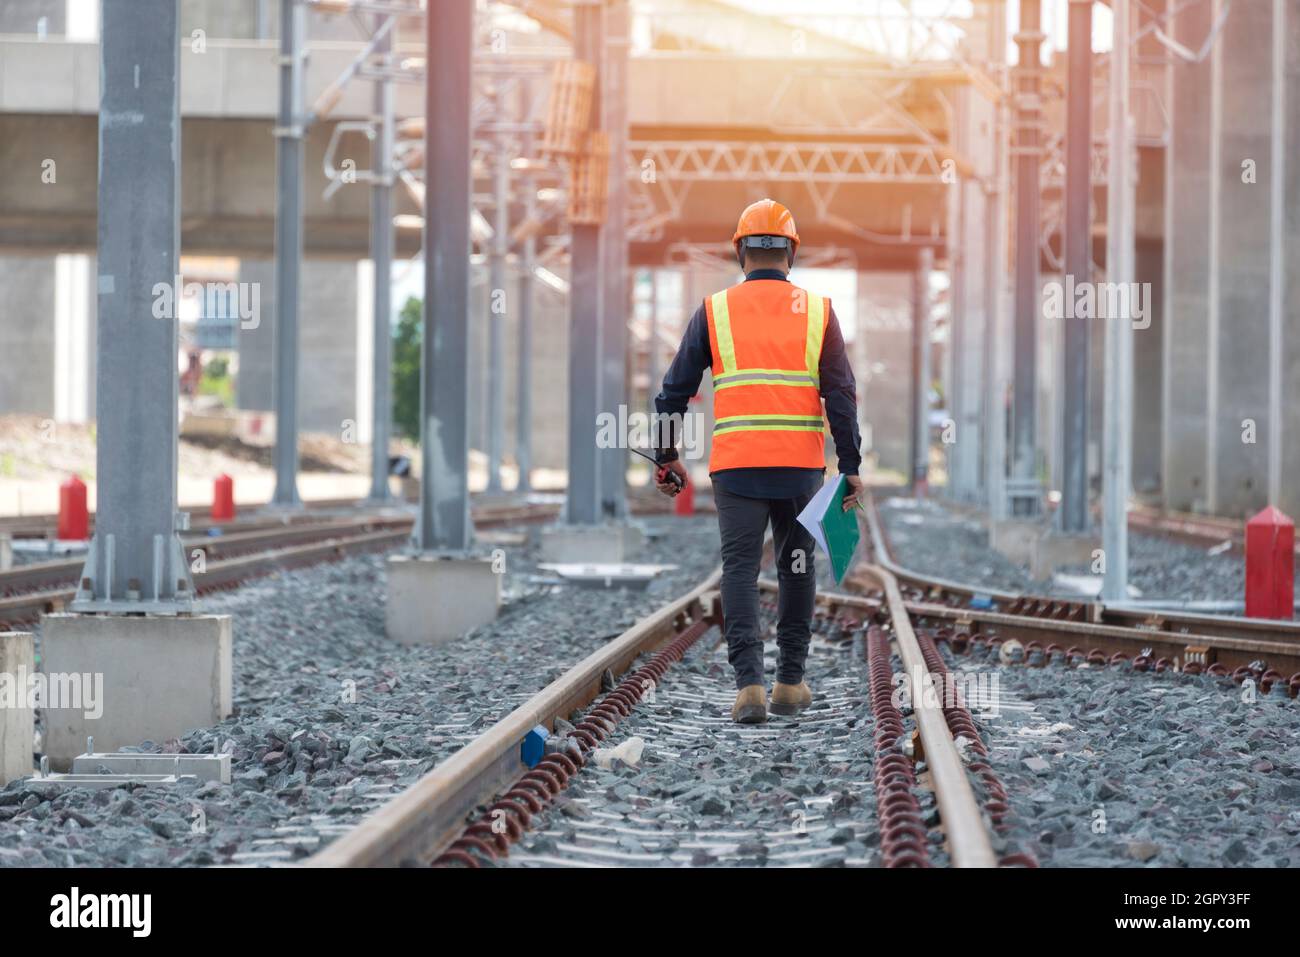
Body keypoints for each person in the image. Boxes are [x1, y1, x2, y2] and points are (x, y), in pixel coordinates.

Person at [652, 199, 863, 724]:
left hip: (738, 467)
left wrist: (666, 455)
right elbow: (840, 395)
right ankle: (790, 683)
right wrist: (850, 463)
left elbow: (672, 392)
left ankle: (749, 686)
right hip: (800, 468)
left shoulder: (714, 310)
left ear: (739, 252)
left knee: (740, 572)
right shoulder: (819, 311)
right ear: (791, 252)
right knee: (796, 568)